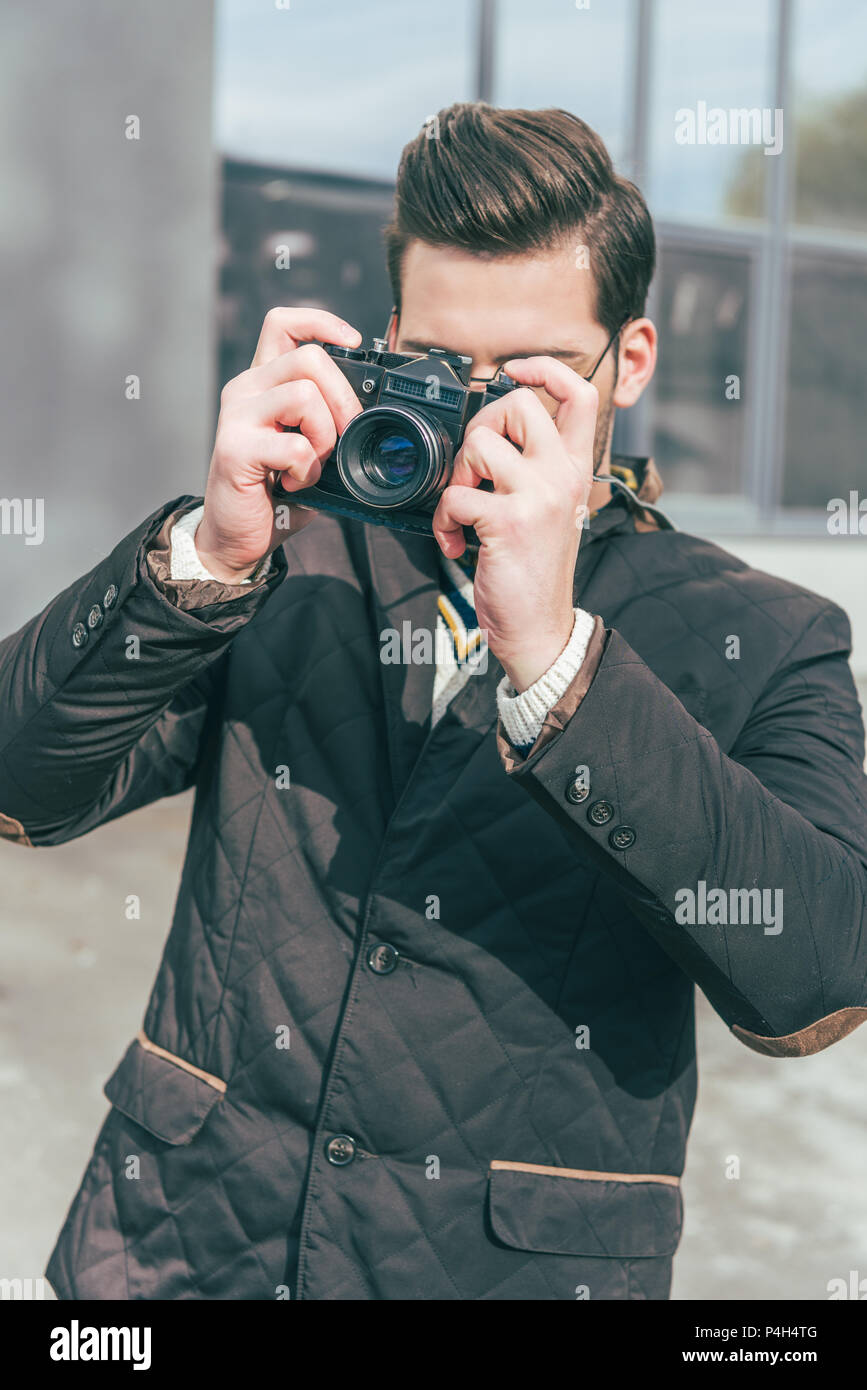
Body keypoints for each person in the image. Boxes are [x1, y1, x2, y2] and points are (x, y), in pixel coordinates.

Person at [2, 103, 866, 1302]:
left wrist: (562, 662)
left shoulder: (768, 636)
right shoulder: (286, 553)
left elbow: (817, 980)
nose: (484, 417)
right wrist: (201, 555)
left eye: (540, 378)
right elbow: (18, 780)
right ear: (390, 335)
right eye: (448, 369)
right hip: (167, 1260)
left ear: (637, 357)